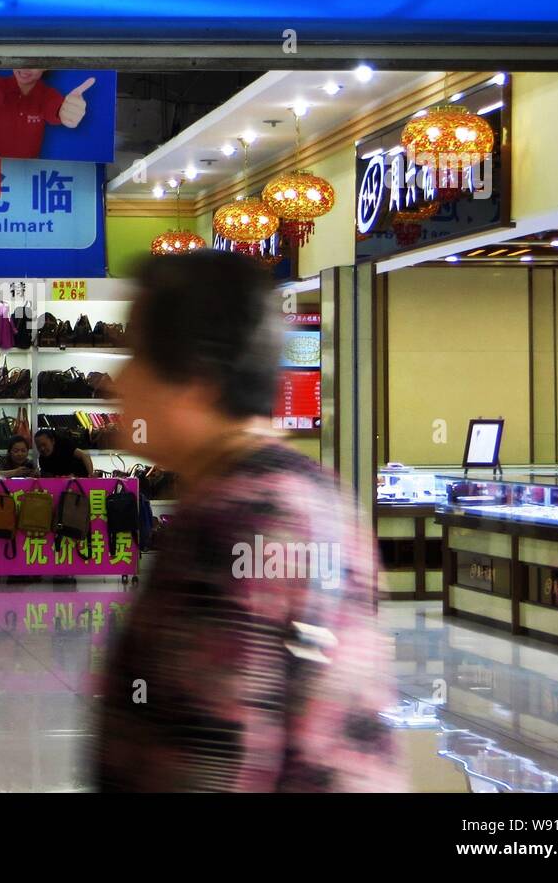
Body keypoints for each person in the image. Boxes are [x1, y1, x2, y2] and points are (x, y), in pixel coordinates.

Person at [95, 251, 402, 792]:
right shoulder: (312, 491)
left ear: (196, 378)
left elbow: (210, 758)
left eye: (136, 354)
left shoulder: (235, 521)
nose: (118, 382)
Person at [0, 69, 95, 159]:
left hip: (32, 165)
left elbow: (55, 108)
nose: (25, 67)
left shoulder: (48, 94)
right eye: (19, 57)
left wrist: (67, 111)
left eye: (35, 61)